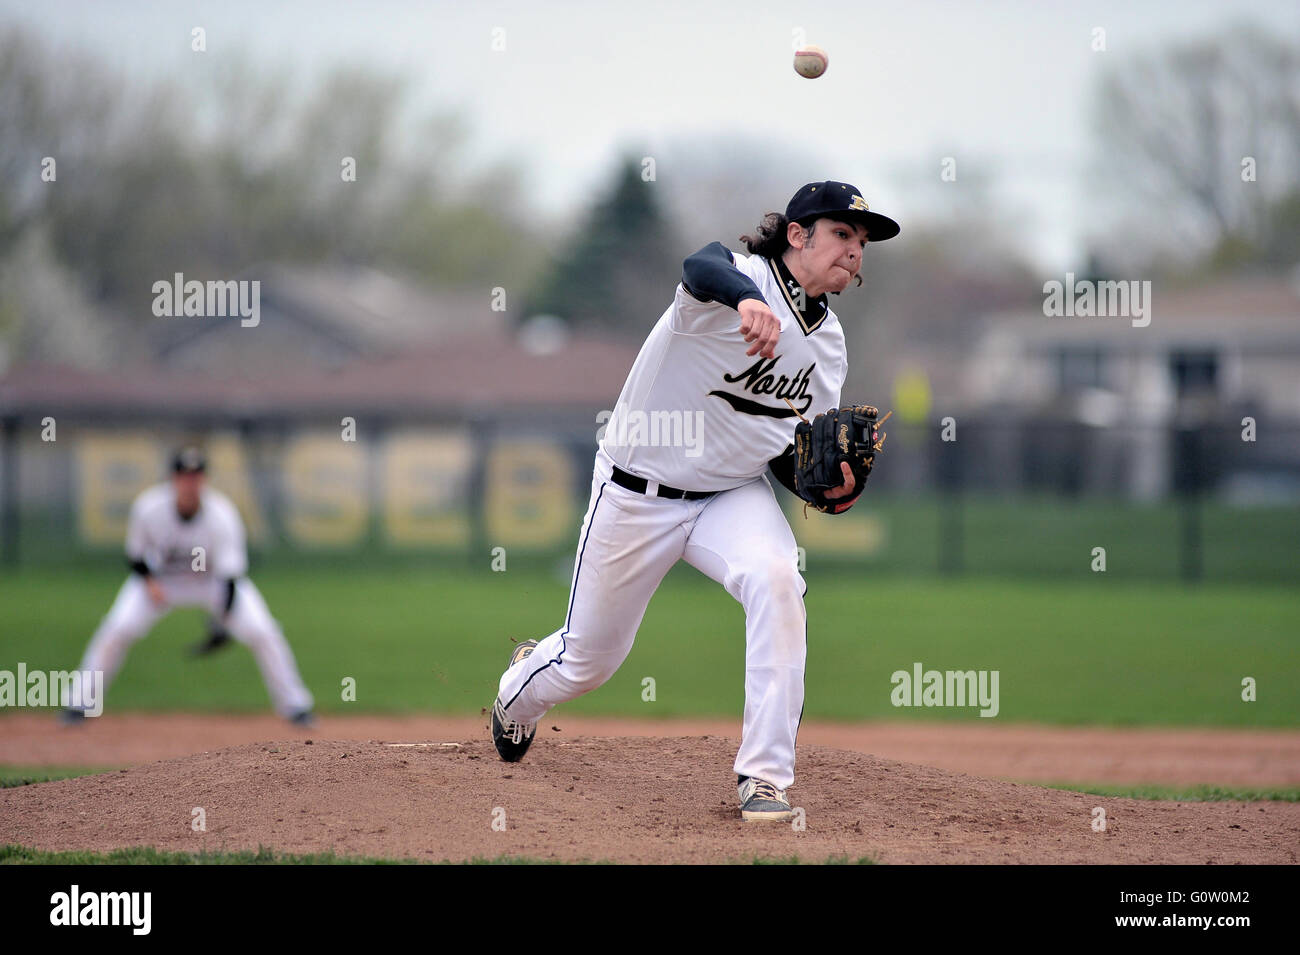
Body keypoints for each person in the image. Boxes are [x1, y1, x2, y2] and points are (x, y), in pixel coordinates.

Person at [491, 180, 898, 820]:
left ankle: (764, 780)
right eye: (842, 234)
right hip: (635, 494)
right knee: (587, 663)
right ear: (797, 235)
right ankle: (519, 691)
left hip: (731, 494)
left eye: (862, 242)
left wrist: (826, 486)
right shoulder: (736, 278)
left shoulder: (831, 344)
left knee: (777, 580)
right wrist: (746, 301)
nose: (855, 250)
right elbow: (698, 265)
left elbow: (787, 448)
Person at [62, 447, 315, 724]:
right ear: (173, 479)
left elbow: (231, 576)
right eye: (184, 476)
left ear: (204, 480)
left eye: (196, 476)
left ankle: (296, 706)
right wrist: (149, 583)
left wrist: (222, 622)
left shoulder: (222, 514)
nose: (190, 483)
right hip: (161, 581)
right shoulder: (149, 508)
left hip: (211, 583)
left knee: (262, 631)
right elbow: (135, 555)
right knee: (117, 628)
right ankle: (80, 703)